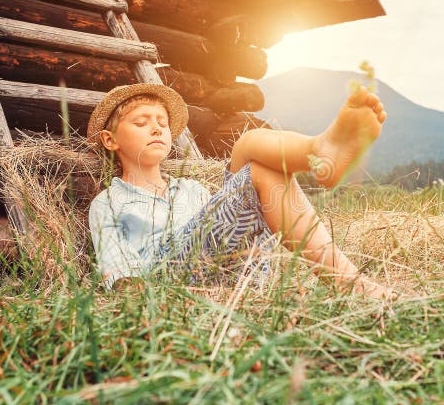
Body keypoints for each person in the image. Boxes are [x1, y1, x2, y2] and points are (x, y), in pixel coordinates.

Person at [87, 83, 390, 298]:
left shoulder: (192, 190)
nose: (156, 128)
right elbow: (119, 272)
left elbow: (222, 226)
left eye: (162, 123)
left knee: (257, 157)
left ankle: (320, 150)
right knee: (252, 157)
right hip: (168, 280)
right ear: (110, 140)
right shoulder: (109, 203)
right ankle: (351, 282)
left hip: (236, 274)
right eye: (141, 122)